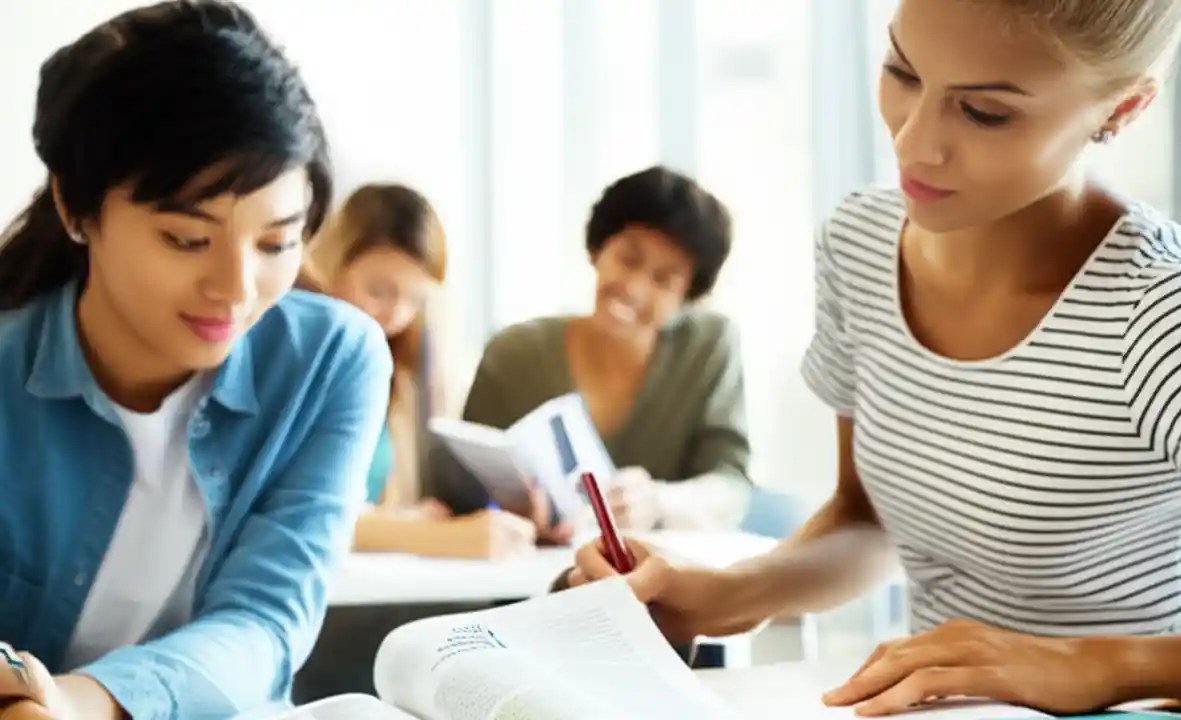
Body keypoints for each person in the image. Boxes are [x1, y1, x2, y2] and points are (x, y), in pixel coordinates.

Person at [573, 0, 1181, 715]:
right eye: (902, 71)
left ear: (1122, 108)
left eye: (984, 113)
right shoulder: (860, 242)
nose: (914, 143)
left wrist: (1095, 665)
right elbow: (865, 519)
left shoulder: (1165, 312)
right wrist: (722, 597)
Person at [0, 2, 391, 718]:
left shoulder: (331, 361)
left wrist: (68, 707)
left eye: (276, 244)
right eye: (186, 239)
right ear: (75, 207)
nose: (236, 291)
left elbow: (265, 623)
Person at [449, 166, 751, 532]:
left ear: (688, 295)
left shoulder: (708, 347)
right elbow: (457, 488)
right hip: (528, 574)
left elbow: (731, 484)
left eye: (664, 280)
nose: (635, 288)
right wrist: (512, 512)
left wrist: (658, 501)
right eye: (628, 259)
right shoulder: (513, 354)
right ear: (598, 249)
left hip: (658, 579)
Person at [303, 183, 538, 559]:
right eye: (379, 291)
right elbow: (302, 516)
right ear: (329, 267)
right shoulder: (298, 361)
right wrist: (429, 535)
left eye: (415, 299)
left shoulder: (401, 365)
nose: (396, 315)